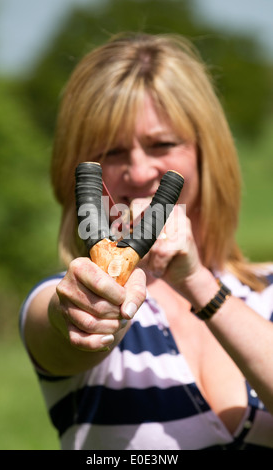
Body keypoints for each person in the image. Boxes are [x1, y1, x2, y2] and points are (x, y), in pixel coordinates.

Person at [20, 32, 273, 450]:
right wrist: (88, 311)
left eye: (162, 144)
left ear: (205, 155)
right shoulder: (59, 295)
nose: (138, 173)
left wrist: (195, 281)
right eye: (112, 152)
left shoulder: (265, 292)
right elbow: (68, 329)